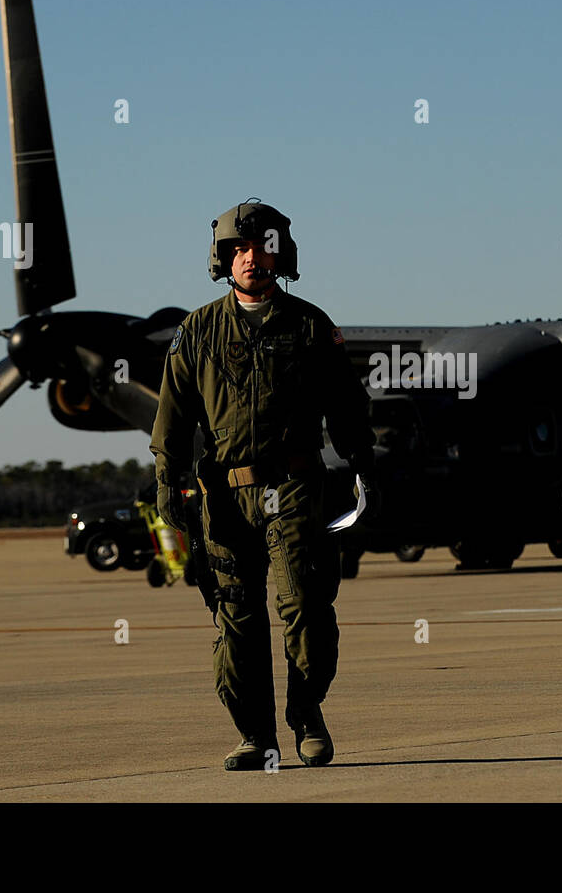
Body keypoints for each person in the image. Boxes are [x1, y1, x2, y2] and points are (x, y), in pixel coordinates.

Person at [150, 199, 378, 770]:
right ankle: (256, 735)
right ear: (223, 258)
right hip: (224, 496)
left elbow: (347, 408)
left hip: (294, 487)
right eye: (238, 249)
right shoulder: (196, 332)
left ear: (280, 255)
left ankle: (306, 715)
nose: (250, 258)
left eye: (260, 248)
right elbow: (172, 419)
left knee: (303, 603)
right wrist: (166, 484)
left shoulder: (311, 326)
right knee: (236, 617)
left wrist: (363, 464)